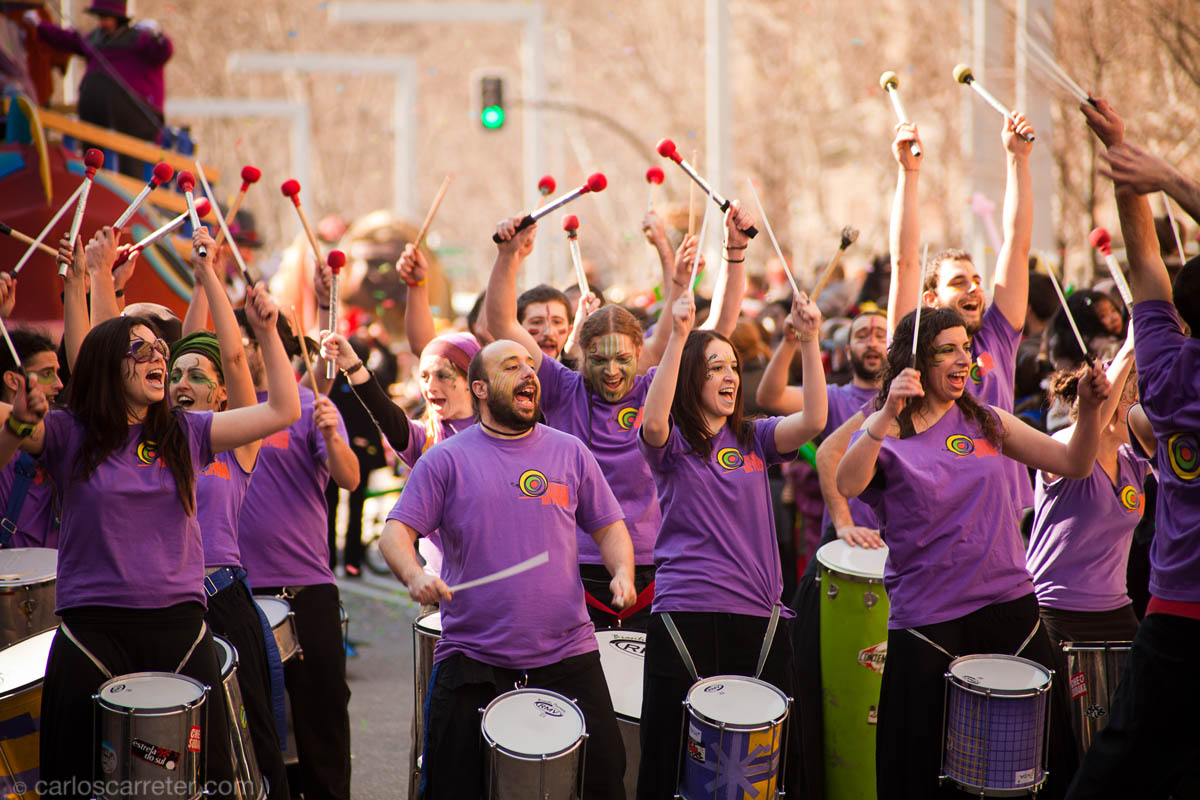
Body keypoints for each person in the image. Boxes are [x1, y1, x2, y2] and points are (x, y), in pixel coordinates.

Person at [0, 283, 300, 798]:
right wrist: (19, 423)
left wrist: (269, 333)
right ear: (108, 366)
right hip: (92, 632)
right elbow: (7, 442)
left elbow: (281, 413)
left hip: (180, 631)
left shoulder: (187, 432)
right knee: (74, 786)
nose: (159, 356)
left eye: (161, 349)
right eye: (142, 350)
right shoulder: (70, 432)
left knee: (204, 787)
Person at [836, 307, 1109, 798]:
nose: (965, 360)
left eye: (967, 347)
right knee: (924, 772)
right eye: (948, 350)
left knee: (1035, 767)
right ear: (917, 361)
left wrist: (1088, 411)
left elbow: (1075, 462)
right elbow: (847, 481)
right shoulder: (888, 433)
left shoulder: (987, 420)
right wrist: (884, 416)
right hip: (928, 624)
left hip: (1008, 608)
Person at [378, 338, 636, 800]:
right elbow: (395, 533)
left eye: (531, 365)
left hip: (567, 655)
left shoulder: (570, 452)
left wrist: (622, 571)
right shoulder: (445, 459)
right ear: (479, 387)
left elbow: (610, 526)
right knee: (451, 786)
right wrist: (415, 574)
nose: (529, 373)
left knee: (605, 775)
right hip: (474, 657)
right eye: (511, 365)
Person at [486, 216, 726, 631]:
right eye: (598, 360)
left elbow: (715, 327)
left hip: (654, 562)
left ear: (640, 351)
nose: (612, 371)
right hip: (572, 562)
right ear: (579, 353)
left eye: (622, 359)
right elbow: (502, 325)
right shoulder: (561, 387)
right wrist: (508, 257)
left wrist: (732, 256)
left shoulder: (656, 387)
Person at [636, 286, 827, 799]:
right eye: (715, 366)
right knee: (672, 755)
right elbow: (652, 422)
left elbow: (813, 420)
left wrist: (809, 341)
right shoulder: (672, 442)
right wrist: (677, 336)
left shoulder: (755, 438)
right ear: (692, 375)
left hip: (758, 617)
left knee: (764, 767)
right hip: (687, 612)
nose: (729, 377)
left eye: (734, 368)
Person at [1063, 97, 1200, 800]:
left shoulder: (1171, 377)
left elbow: (1144, 264)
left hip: (1172, 616)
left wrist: (1125, 171)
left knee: (1115, 778)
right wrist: (1165, 177)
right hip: (1176, 614)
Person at [174, 228, 294, 800]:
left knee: (254, 749)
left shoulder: (234, 444)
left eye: (197, 375)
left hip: (227, 597)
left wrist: (210, 277)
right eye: (174, 375)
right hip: (166, 604)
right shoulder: (147, 445)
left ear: (222, 396)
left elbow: (241, 360)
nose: (182, 383)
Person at [756, 308, 887, 800]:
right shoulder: (833, 400)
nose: (872, 341)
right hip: (835, 567)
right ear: (846, 348)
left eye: (880, 334)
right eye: (861, 334)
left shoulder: (910, 401)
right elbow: (769, 398)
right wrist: (792, 340)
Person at [236, 304, 359, 800]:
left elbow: (348, 477)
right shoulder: (222, 409)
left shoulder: (309, 406)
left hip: (304, 588)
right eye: (240, 340)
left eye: (252, 339)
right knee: (257, 726)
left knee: (321, 719)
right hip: (237, 589)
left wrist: (331, 434)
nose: (243, 349)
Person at [1026, 329, 1153, 646]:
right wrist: (1129, 348)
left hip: (1117, 612)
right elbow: (1091, 428)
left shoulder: (1135, 460)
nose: (1144, 411)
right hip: (1056, 612)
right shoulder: (1063, 445)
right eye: (1134, 400)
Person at [33, 0, 172, 178]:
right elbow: (69, 40)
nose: (102, 23)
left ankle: (132, 196)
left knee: (130, 160)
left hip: (135, 115)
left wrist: (158, 35)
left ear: (118, 19)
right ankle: (93, 180)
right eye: (100, 18)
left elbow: (163, 51)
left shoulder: (140, 40)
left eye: (106, 18)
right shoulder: (95, 39)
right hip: (97, 112)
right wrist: (40, 27)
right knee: (93, 147)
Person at [0, 327, 63, 549]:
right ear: (13, 380)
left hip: (57, 579)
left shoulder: (63, 432)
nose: (59, 384)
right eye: (47, 373)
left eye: (58, 373)